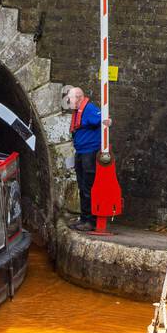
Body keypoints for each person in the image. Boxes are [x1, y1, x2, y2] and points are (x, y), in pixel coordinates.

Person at [64, 85, 111, 232]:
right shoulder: (79, 110)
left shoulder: (89, 109)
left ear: (78, 98)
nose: (68, 101)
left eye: (69, 98)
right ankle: (84, 218)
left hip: (89, 153)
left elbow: (104, 119)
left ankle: (90, 220)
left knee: (87, 187)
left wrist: (108, 122)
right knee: (82, 185)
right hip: (82, 152)